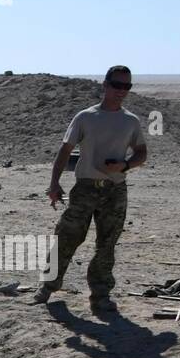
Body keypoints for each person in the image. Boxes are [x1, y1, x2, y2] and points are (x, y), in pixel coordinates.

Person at [36, 65, 148, 315]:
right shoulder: (86, 117)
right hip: (86, 187)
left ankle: (100, 295)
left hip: (115, 190)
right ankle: (47, 286)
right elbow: (65, 151)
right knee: (67, 237)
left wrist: (126, 165)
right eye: (117, 85)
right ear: (105, 85)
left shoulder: (130, 121)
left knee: (107, 244)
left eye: (126, 86)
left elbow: (142, 152)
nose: (121, 91)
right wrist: (54, 184)